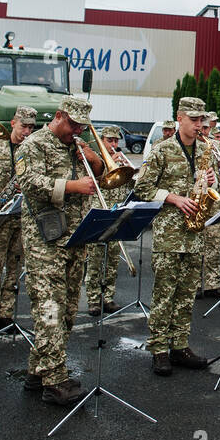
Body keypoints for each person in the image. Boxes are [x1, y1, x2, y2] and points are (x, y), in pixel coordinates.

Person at [17, 96, 101, 406]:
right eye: (73, 124)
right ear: (58, 116)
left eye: (82, 126)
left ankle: (36, 372)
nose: (77, 131)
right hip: (46, 242)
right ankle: (54, 380)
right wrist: (71, 186)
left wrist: (94, 161)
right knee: (49, 310)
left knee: (65, 312)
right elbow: (27, 181)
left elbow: (98, 176)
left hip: (75, 239)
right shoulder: (34, 144)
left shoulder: (76, 145)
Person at [132, 96, 214, 376]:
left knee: (186, 294)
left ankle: (179, 345)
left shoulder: (205, 149)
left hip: (195, 234)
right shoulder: (161, 150)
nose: (199, 126)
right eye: (193, 120)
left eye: (202, 120)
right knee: (164, 294)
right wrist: (173, 198)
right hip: (169, 235)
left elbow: (210, 194)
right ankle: (158, 349)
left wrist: (210, 183)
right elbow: (141, 189)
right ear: (179, 119)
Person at [0, 105, 36, 334]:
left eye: (32, 127)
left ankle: (6, 316)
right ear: (13, 123)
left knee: (14, 269)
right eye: (24, 127)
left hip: (21, 217)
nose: (27, 132)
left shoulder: (31, 149)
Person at [84, 124, 135, 316]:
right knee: (96, 260)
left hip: (117, 211)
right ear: (102, 141)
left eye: (116, 140)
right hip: (100, 211)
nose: (114, 144)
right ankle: (93, 300)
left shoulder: (120, 158)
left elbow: (132, 184)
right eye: (109, 140)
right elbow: (91, 182)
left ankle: (108, 298)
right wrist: (108, 164)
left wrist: (129, 170)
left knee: (112, 260)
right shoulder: (93, 160)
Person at [196, 115, 220, 299]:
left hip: (213, 203)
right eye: (203, 128)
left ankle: (212, 283)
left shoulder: (212, 147)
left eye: (208, 129)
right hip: (195, 203)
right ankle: (196, 283)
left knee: (214, 244)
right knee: (197, 245)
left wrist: (214, 180)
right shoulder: (191, 148)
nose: (205, 132)